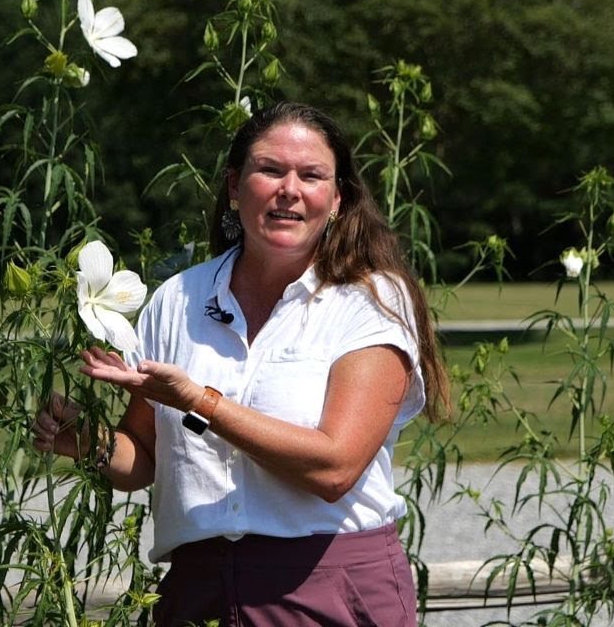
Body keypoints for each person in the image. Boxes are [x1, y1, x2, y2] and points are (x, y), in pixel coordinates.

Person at [33, 101, 449, 626]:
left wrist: (199, 401)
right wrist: (85, 438)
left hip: (327, 587)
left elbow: (335, 467)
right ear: (235, 187)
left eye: (312, 175)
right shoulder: (176, 299)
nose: (289, 190)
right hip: (197, 588)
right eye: (270, 170)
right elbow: (141, 459)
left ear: (338, 197)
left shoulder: (370, 300)